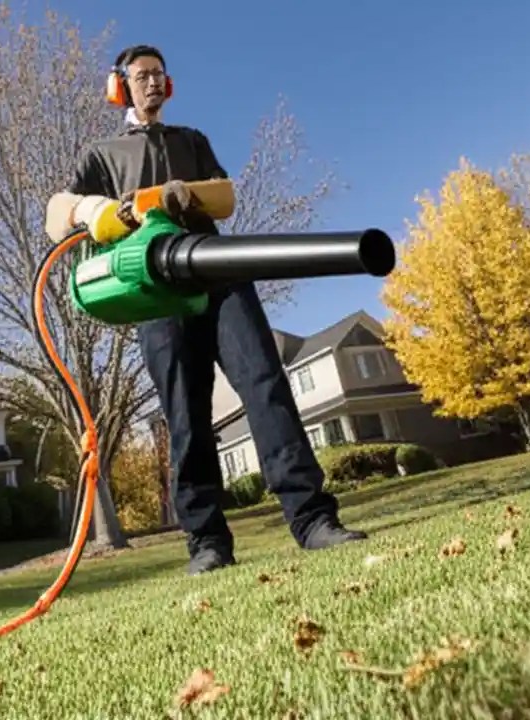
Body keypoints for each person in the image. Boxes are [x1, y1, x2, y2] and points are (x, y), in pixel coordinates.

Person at [46, 44, 366, 575]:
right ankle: (208, 543)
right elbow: (57, 215)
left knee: (266, 386)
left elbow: (224, 198)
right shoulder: (102, 154)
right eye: (142, 75)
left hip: (216, 271)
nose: (153, 83)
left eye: (160, 76)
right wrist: (100, 209)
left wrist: (183, 195)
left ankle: (312, 521)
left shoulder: (191, 140)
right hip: (156, 287)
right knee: (185, 415)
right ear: (120, 86)